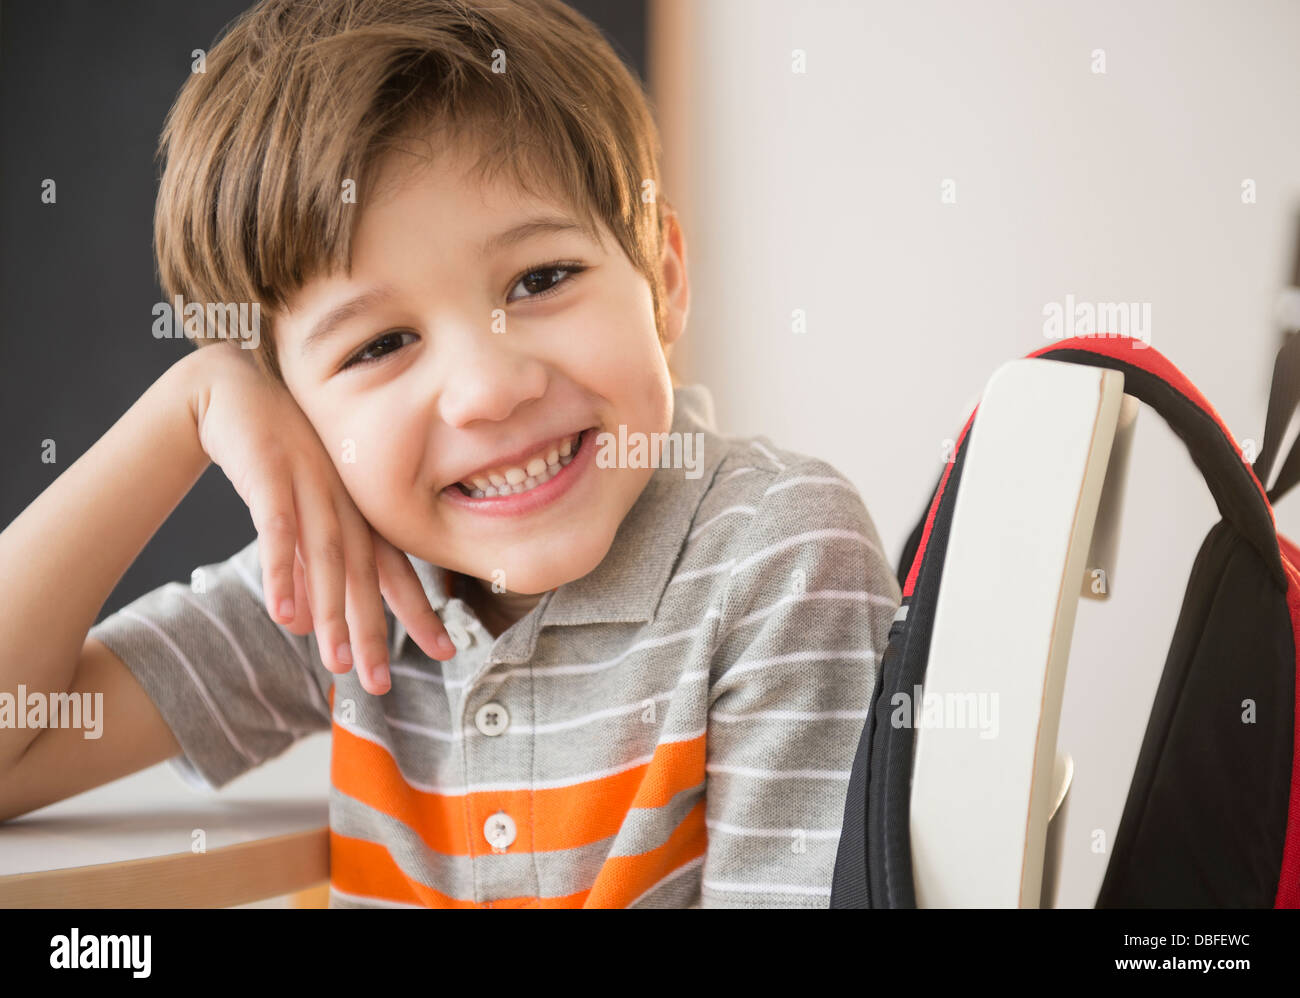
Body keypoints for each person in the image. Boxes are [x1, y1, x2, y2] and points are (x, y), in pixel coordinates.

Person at [0, 0, 900, 908]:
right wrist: (186, 406)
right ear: (297, 417)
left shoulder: (780, 559)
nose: (487, 389)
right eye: (380, 345)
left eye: (540, 280)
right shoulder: (343, 595)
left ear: (662, 278)